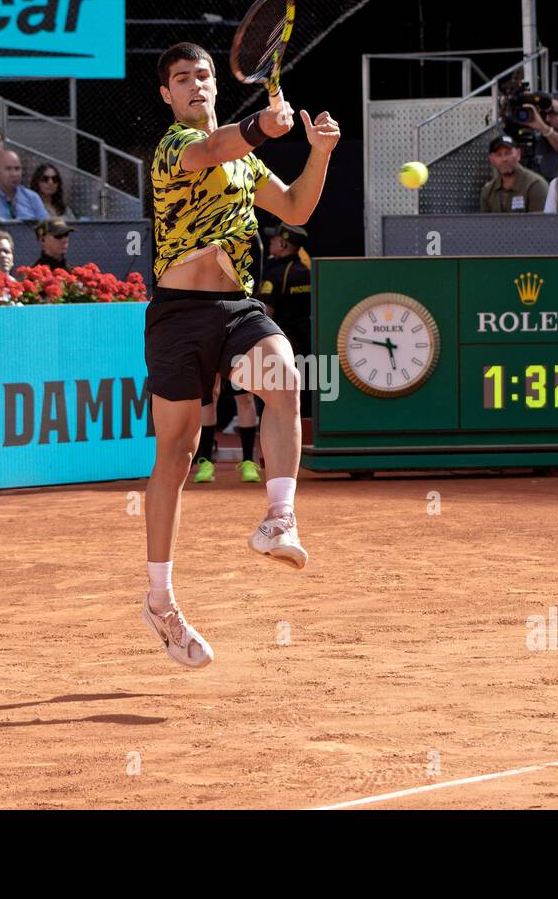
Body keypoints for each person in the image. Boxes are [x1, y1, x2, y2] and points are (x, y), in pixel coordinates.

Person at [142, 40, 339, 668]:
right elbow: (213, 150)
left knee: (284, 380)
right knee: (176, 454)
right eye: (182, 78)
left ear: (216, 84)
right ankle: (160, 600)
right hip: (177, 316)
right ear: (167, 95)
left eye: (203, 75)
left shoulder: (249, 164)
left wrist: (320, 153)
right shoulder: (175, 145)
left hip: (237, 310)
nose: (196, 84)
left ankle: (278, 518)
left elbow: (298, 207)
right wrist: (260, 127)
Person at [256, 222, 312, 419]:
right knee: (304, 396)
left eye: (274, 238)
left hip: (282, 345)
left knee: (278, 397)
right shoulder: (307, 270)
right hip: (308, 342)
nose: (270, 240)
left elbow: (265, 314)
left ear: (282, 245)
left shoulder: (275, 274)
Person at [478, 133, 547, 213]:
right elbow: (484, 224)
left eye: (508, 153)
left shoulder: (535, 185)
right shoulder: (488, 191)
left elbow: (540, 223)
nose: (504, 159)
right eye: (498, 155)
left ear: (518, 154)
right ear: (491, 159)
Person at [0, 150, 49, 220]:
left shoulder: (32, 198)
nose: (14, 174)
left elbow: (47, 228)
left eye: (17, 169)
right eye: (8, 169)